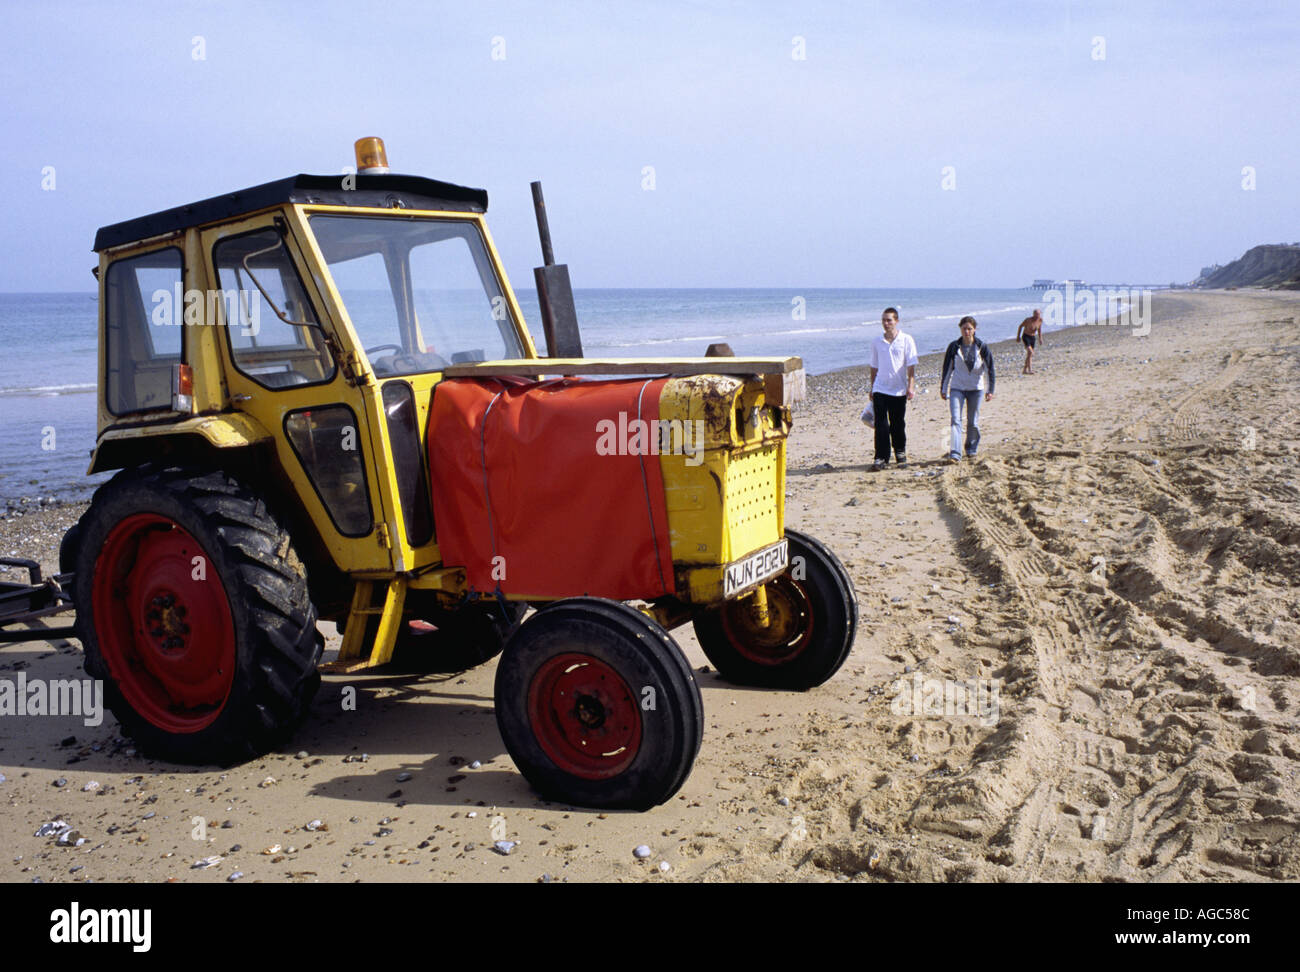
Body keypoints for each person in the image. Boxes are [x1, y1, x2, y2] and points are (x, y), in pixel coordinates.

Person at [867, 307, 918, 469]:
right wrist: (872, 387)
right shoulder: (876, 342)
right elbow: (873, 367)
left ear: (896, 321)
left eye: (889, 320)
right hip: (880, 388)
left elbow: (911, 366)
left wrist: (911, 386)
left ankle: (900, 451)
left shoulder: (906, 339)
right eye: (883, 320)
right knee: (881, 424)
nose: (886, 323)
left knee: (897, 423)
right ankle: (881, 457)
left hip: (899, 389)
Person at [939, 316, 995, 462]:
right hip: (957, 388)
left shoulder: (982, 347)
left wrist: (990, 390)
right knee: (956, 419)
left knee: (973, 421)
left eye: (969, 328)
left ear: (974, 329)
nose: (967, 331)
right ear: (960, 329)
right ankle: (955, 453)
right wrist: (944, 389)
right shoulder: (954, 347)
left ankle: (971, 449)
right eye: (964, 328)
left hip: (976, 389)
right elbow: (947, 369)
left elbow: (990, 370)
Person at [1015, 309, 1044, 374]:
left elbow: (1039, 329)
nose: (1037, 316)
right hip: (1026, 336)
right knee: (1031, 352)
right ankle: (1030, 370)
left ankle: (1025, 370)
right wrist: (1018, 336)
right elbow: (1020, 326)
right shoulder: (1028, 320)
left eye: (1038, 314)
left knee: (1029, 354)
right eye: (1036, 314)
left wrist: (1040, 338)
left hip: (1033, 338)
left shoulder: (1040, 320)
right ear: (1033, 314)